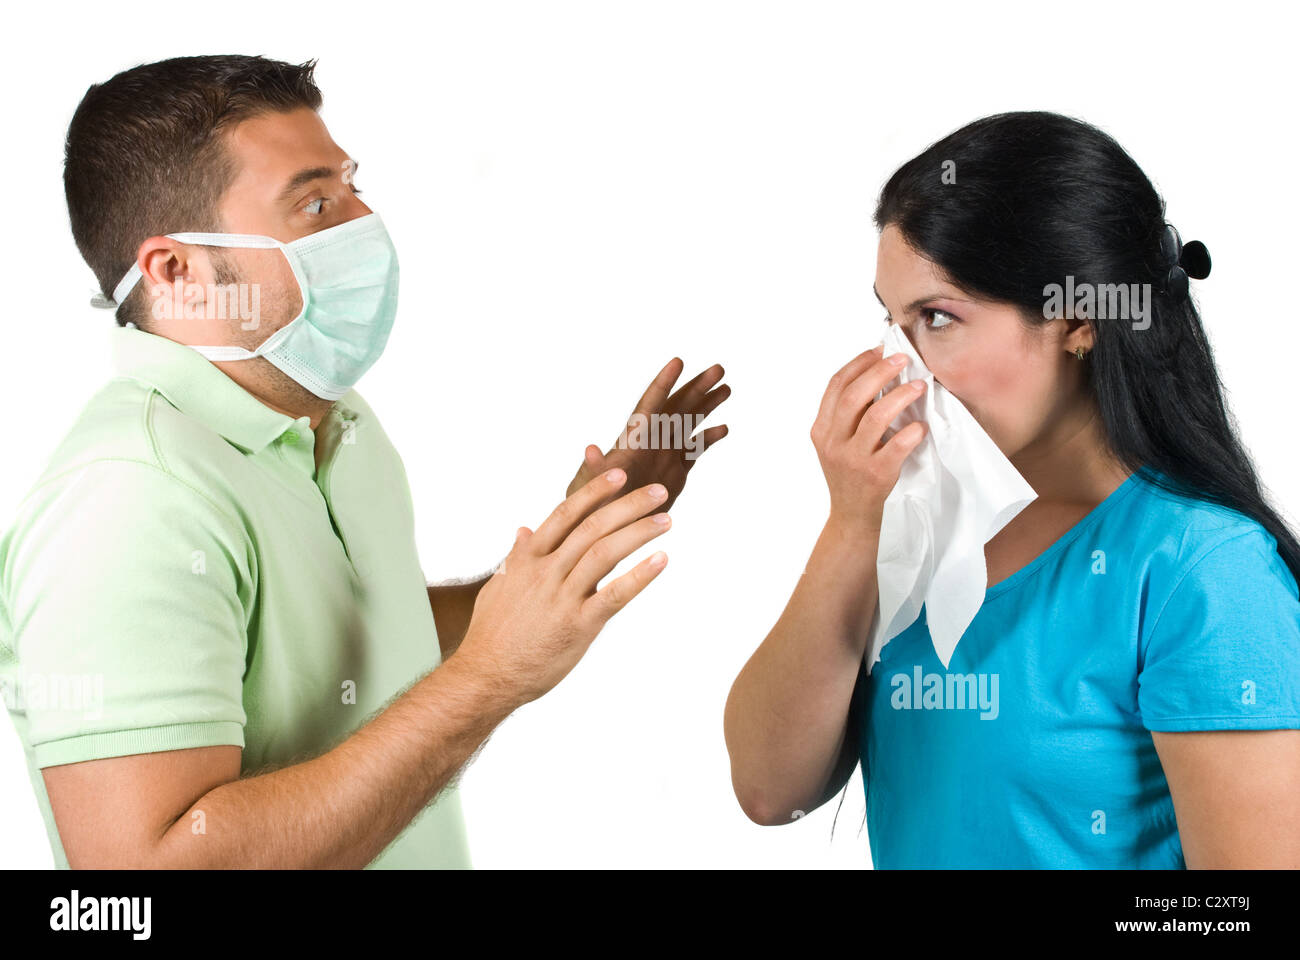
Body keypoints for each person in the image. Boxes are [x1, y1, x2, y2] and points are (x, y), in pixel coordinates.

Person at [0, 54, 729, 869]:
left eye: (351, 185)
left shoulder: (335, 421)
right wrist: (487, 683)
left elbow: (364, 648)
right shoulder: (127, 496)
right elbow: (139, 883)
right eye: (315, 202)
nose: (363, 221)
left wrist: (573, 544)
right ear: (179, 272)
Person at [724, 111, 1300, 868]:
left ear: (1080, 322)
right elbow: (770, 791)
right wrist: (852, 522)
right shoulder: (917, 528)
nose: (901, 367)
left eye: (938, 318)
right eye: (892, 324)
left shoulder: (1202, 570)